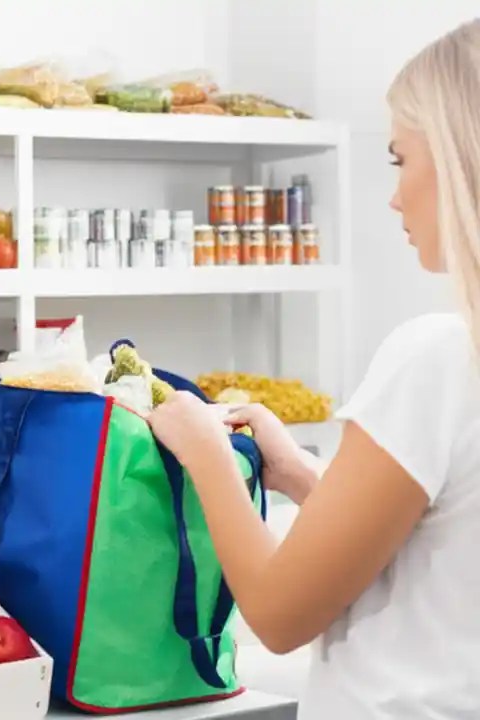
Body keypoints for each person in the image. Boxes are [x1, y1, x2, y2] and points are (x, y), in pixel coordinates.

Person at [148, 19, 480, 719]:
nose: (394, 195)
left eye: (400, 159)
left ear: (460, 158)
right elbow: (440, 543)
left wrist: (206, 453)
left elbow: (278, 612)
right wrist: (299, 474)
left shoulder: (438, 358)